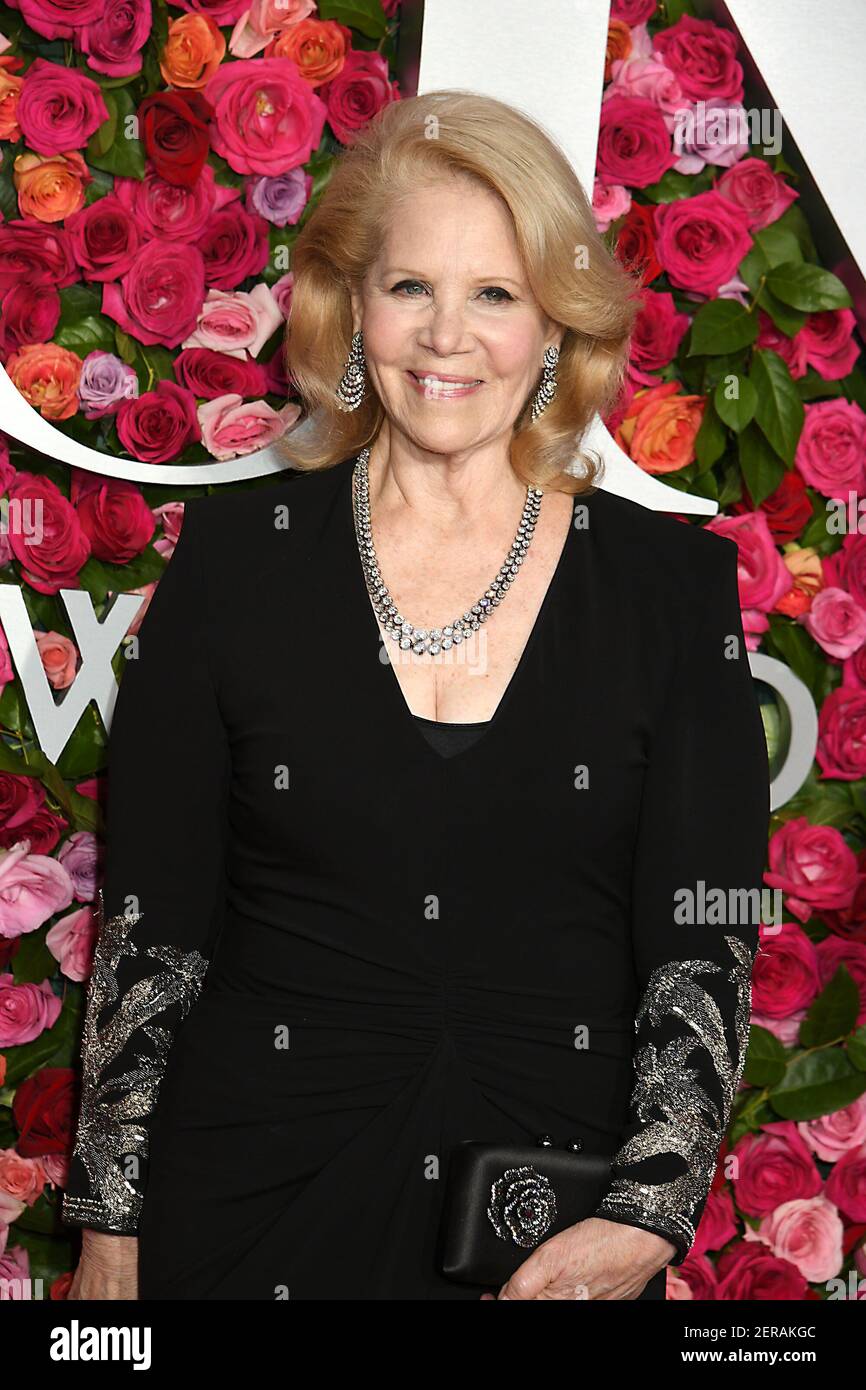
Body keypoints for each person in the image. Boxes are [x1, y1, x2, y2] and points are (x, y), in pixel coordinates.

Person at [61, 90, 770, 1301]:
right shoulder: (236, 564)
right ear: (348, 313)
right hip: (241, 1208)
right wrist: (109, 1234)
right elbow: (155, 925)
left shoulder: (667, 589)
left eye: (493, 293)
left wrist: (648, 1218)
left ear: (554, 320)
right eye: (408, 290)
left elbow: (700, 933)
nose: (447, 337)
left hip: (547, 1236)